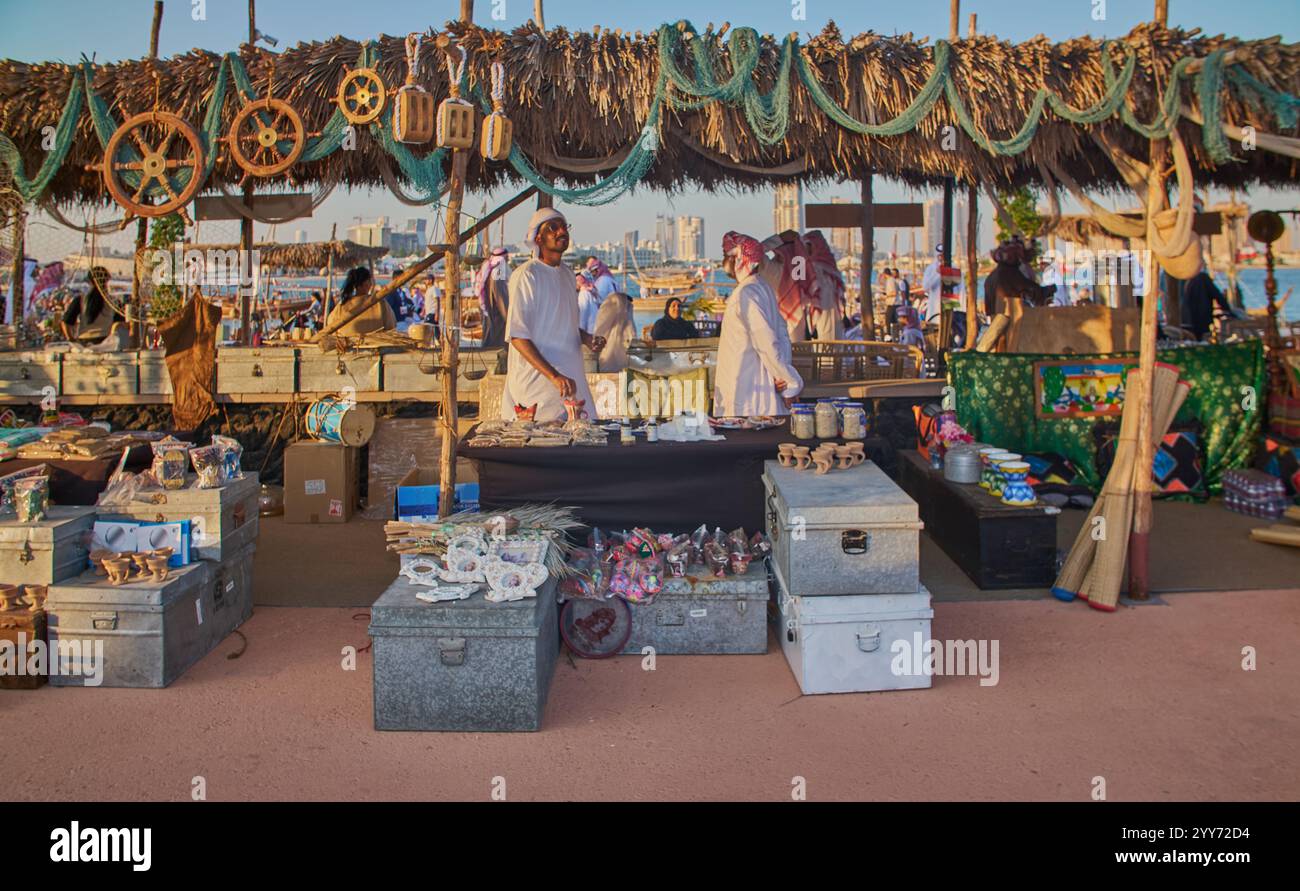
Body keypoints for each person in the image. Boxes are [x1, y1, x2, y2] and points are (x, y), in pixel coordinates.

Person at [501, 208, 604, 421]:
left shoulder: (567, 274)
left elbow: (564, 324)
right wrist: (554, 376)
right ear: (538, 238)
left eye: (564, 227)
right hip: (537, 386)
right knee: (538, 448)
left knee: (582, 443)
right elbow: (518, 336)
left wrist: (586, 338)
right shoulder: (526, 275)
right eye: (553, 228)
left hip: (571, 383)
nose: (561, 232)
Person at [713, 231, 803, 417]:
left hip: (748, 390)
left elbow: (766, 341)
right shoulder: (761, 287)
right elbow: (781, 335)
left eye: (727, 256)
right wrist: (783, 374)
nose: (725, 262)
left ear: (739, 259)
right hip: (754, 383)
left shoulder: (748, 293)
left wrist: (789, 382)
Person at [60, 266, 124, 344]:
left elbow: (65, 322)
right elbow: (119, 324)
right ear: (107, 280)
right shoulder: (114, 301)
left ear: (90, 281)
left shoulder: (80, 300)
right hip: (106, 341)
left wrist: (70, 339)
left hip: (84, 341)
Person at [325, 266, 395, 336]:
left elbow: (331, 324)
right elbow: (391, 325)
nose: (371, 283)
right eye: (369, 280)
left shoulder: (341, 307)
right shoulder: (380, 303)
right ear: (367, 283)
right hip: (377, 343)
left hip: (349, 344)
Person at [1183, 270, 1234, 341]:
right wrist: (1228, 310)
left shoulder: (1185, 280)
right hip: (1202, 318)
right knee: (1203, 338)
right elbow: (1217, 296)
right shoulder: (1202, 278)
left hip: (1186, 320)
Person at [475, 247, 510, 348]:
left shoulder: (492, 268)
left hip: (492, 311)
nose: (507, 260)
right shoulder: (498, 269)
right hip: (497, 313)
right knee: (495, 340)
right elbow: (499, 294)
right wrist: (507, 315)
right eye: (506, 258)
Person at [593, 292, 637, 371]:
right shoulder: (613, 306)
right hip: (611, 357)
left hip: (616, 357)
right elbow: (632, 335)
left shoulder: (623, 309)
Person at [921, 247, 945, 323]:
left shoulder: (953, 267)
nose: (941, 258)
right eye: (939, 255)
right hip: (934, 304)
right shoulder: (930, 269)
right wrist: (937, 274)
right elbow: (925, 287)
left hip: (949, 303)